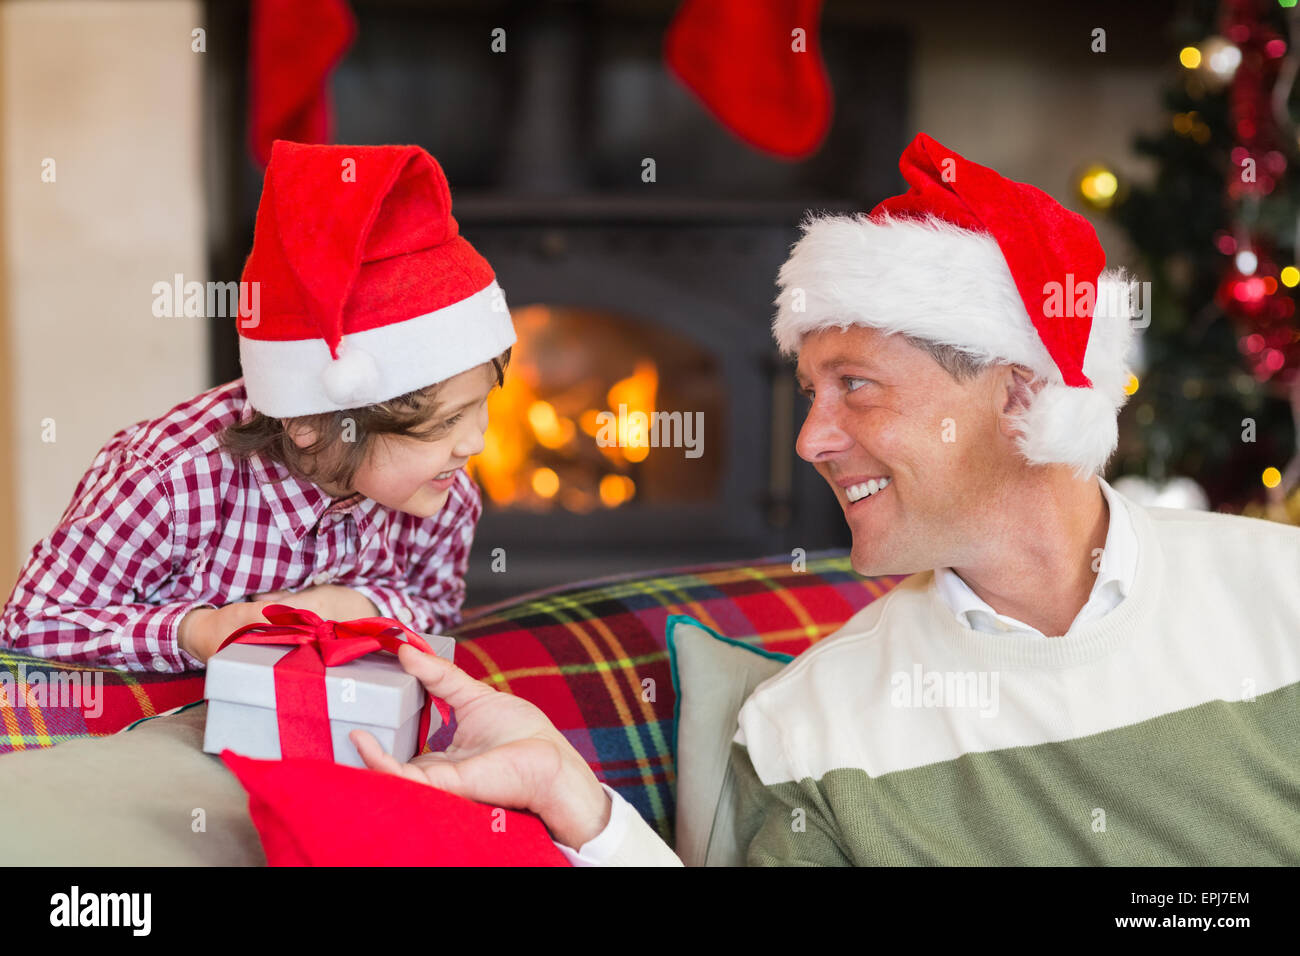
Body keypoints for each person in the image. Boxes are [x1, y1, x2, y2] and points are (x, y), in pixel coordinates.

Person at [352, 132, 1300, 866]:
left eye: (858, 385)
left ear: (1018, 394)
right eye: (810, 392)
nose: (809, 440)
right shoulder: (808, 730)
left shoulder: (1281, 599)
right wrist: (581, 805)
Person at [0, 141, 515, 672]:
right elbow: (33, 619)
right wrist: (197, 631)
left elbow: (438, 604)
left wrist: (350, 607)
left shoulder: (439, 494)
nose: (475, 441)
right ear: (312, 426)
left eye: (479, 407)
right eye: (446, 421)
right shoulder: (168, 482)